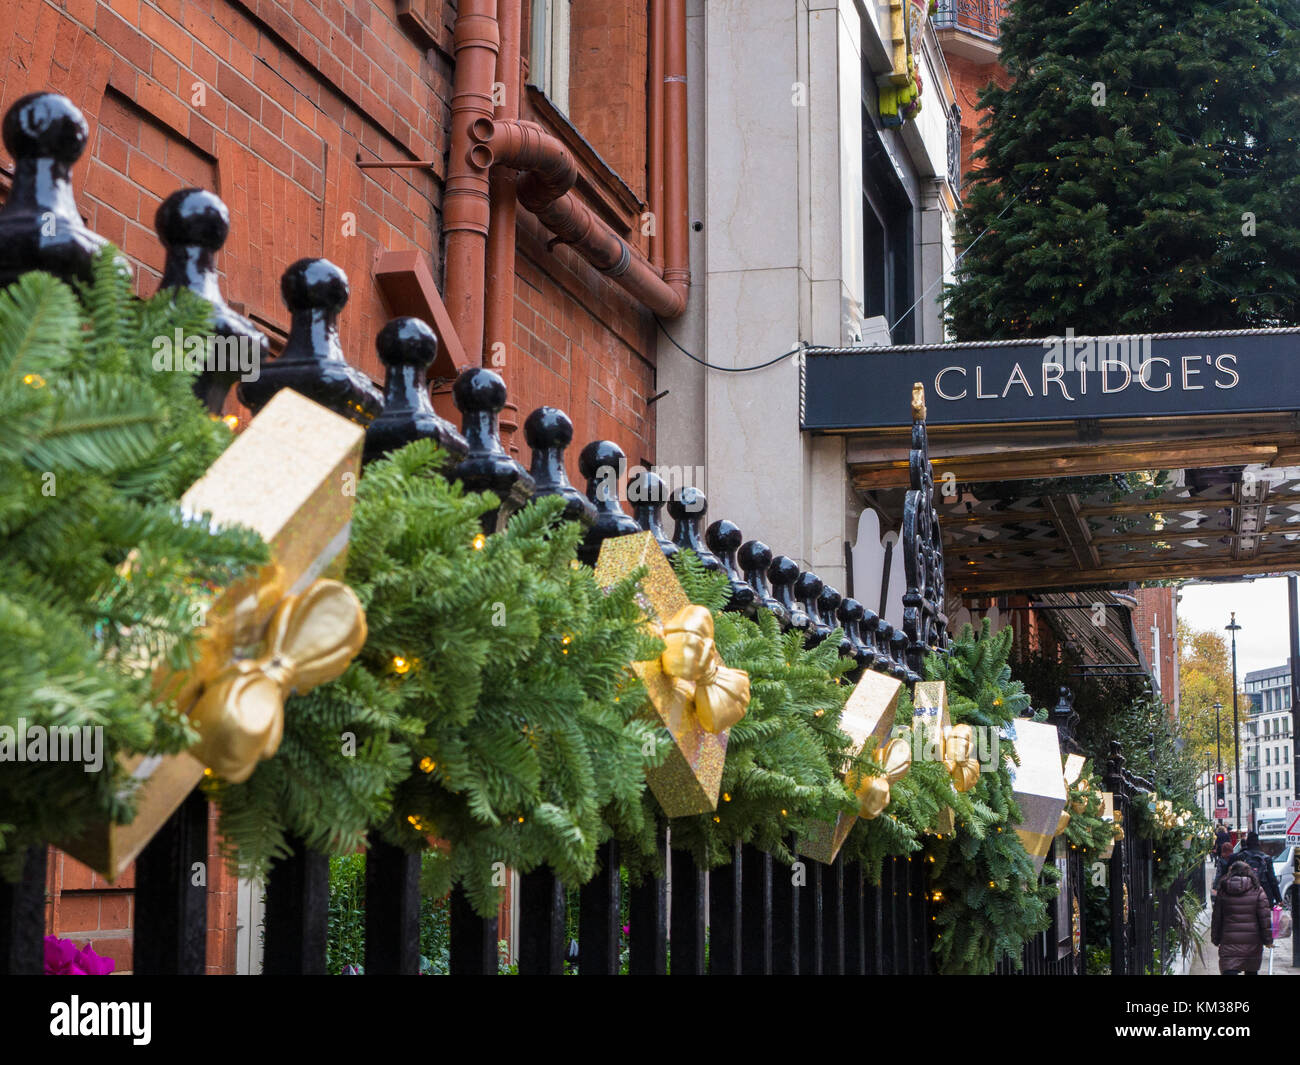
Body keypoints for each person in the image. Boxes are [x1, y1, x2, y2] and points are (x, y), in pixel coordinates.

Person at [1211, 860, 1273, 975]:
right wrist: (1268, 940)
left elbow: (1217, 917)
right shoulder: (1257, 890)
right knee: (1251, 971)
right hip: (1252, 943)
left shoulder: (1223, 890)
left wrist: (1216, 938)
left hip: (1229, 942)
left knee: (1229, 970)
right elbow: (1264, 919)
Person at [1232, 831, 1283, 906]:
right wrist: (1278, 899)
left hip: (1245, 895)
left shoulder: (1241, 857)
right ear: (1258, 843)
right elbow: (1272, 880)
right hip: (1264, 896)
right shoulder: (1266, 858)